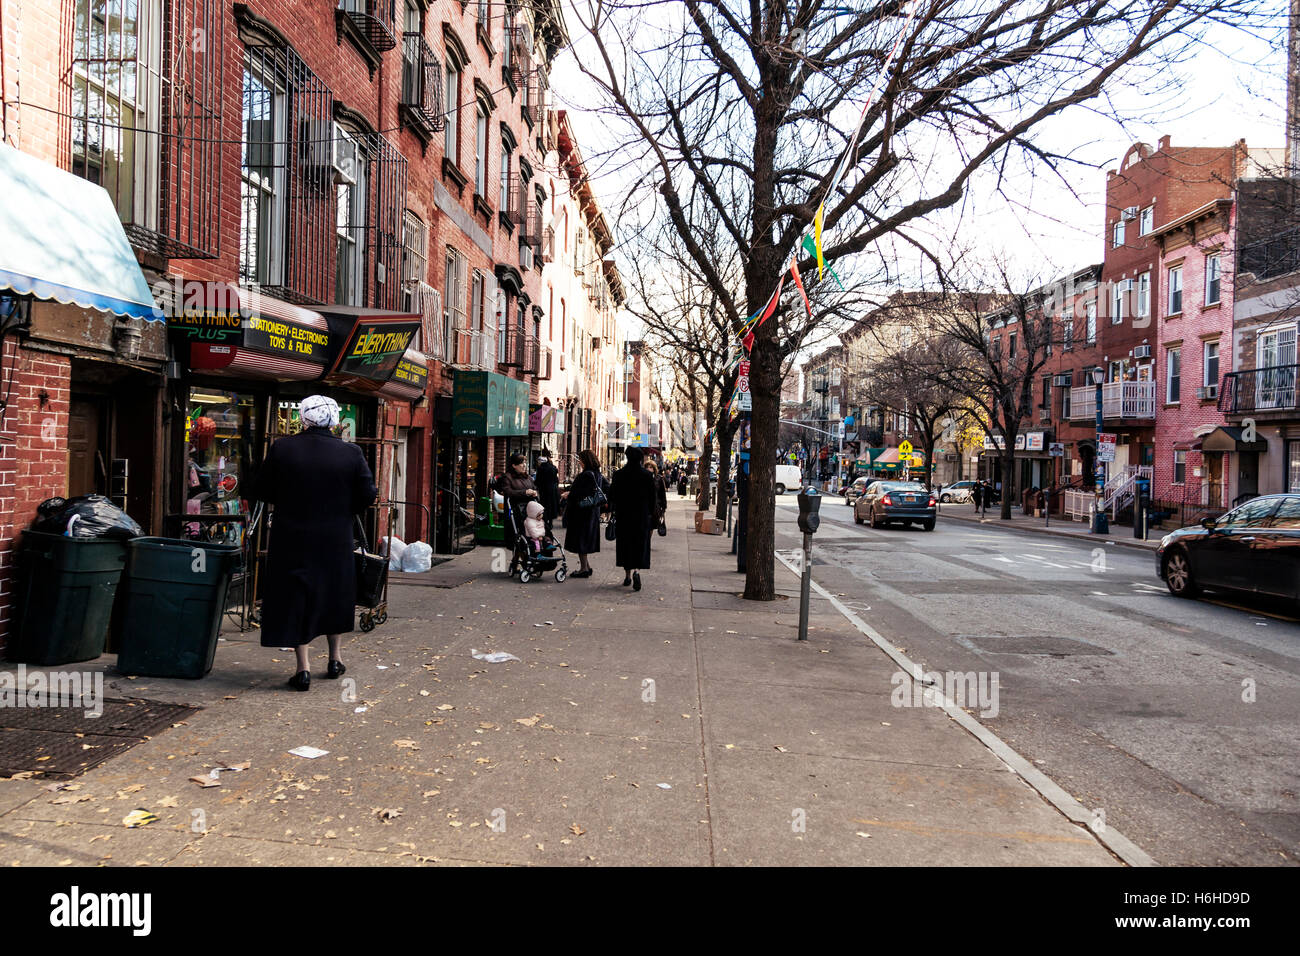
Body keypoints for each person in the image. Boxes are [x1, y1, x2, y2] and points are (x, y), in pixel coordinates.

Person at [252, 394, 377, 692]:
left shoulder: (283, 448)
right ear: (334, 420)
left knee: (296, 595)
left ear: (304, 418)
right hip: (334, 536)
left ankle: (303, 668)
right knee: (334, 592)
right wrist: (343, 509)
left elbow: (262, 488)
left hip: (291, 535)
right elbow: (368, 494)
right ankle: (335, 659)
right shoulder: (351, 453)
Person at [609, 447, 659, 591]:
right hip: (641, 516)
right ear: (640, 459)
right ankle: (637, 570)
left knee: (625, 545)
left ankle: (628, 575)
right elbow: (652, 498)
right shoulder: (646, 475)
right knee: (639, 544)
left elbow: (612, 495)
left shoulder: (619, 474)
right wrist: (649, 512)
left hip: (624, 515)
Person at [560, 449, 607, 577]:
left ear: (585, 461)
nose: (579, 462)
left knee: (581, 541)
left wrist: (568, 494)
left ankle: (583, 569)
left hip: (582, 512)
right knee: (584, 540)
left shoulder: (586, 475)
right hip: (592, 511)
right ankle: (586, 566)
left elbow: (580, 494)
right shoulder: (597, 474)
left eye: (580, 460)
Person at [534, 452, 561, 529]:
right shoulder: (553, 468)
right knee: (551, 506)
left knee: (544, 506)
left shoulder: (541, 469)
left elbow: (538, 481)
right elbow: (556, 480)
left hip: (544, 491)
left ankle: (545, 522)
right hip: (553, 490)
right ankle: (551, 522)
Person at [645, 458, 669, 534]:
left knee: (651, 527)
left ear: (654, 469)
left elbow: (662, 494)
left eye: (650, 467)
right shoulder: (642, 478)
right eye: (647, 467)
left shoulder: (659, 478)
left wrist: (664, 507)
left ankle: (647, 543)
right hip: (644, 506)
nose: (648, 469)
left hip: (655, 507)